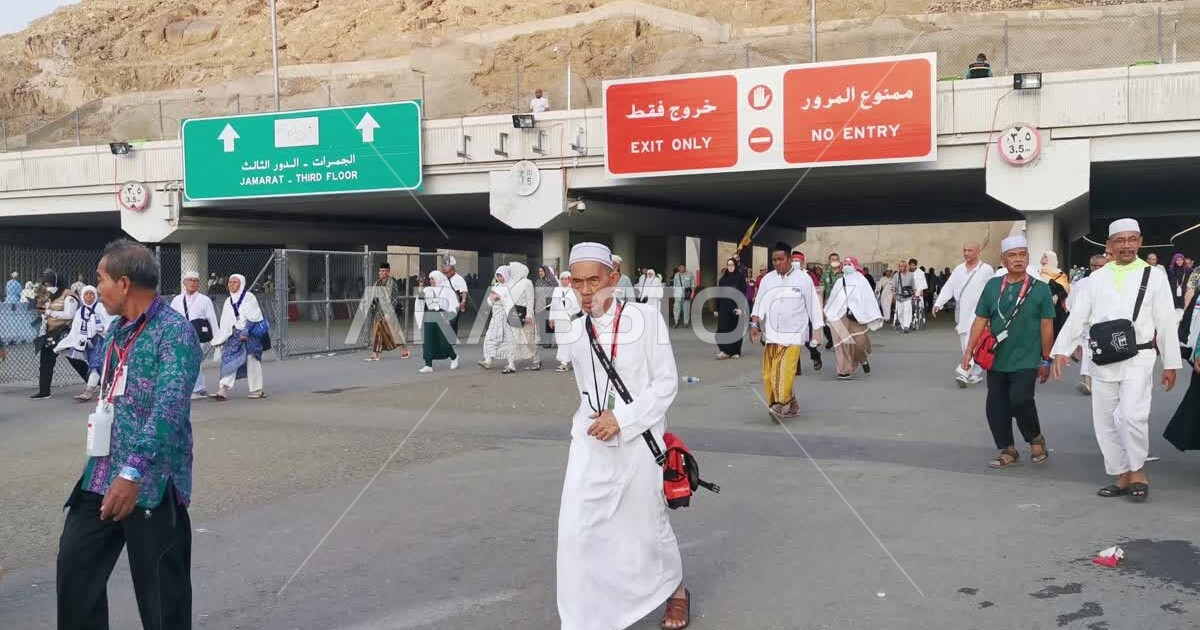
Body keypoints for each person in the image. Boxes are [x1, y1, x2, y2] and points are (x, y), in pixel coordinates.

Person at [56, 239, 201, 630]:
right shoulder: (116, 331)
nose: (95, 288)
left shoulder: (175, 334)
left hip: (150, 483)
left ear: (123, 283)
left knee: (161, 599)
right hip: (101, 474)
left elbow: (168, 408)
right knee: (76, 571)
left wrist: (133, 470)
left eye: (100, 280)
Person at [556, 242, 690, 630]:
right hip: (590, 440)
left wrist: (623, 418)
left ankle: (675, 592)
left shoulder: (646, 319)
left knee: (645, 526)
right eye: (576, 282)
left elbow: (666, 384)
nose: (585, 291)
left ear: (613, 279)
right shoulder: (575, 328)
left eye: (593, 281)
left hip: (639, 440)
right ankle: (585, 616)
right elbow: (586, 389)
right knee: (577, 528)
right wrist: (594, 420)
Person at [1051, 219, 1181, 501]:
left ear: (1140, 241)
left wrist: (1170, 362)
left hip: (1140, 356)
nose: (1126, 245)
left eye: (1131, 239)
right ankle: (1121, 474)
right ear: (1109, 246)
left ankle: (1137, 471)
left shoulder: (1154, 276)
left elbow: (1166, 321)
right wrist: (1062, 349)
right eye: (1120, 241)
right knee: (1105, 418)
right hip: (1103, 358)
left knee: (1134, 416)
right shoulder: (1096, 278)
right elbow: (1079, 316)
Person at [961, 235, 1055, 469]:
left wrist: (1046, 359)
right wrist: (968, 351)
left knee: (1021, 399)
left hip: (1027, 356)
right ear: (1003, 260)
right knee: (996, 404)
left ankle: (1035, 439)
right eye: (1012, 255)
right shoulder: (993, 286)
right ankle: (1008, 449)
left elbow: (1047, 326)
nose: (1018, 259)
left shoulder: (1041, 289)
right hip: (996, 356)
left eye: (1022, 254)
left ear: (1028, 258)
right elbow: (981, 318)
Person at [751, 242, 825, 420]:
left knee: (784, 370)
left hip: (794, 333)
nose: (777, 263)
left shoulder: (803, 279)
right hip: (772, 334)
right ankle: (792, 404)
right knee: (770, 373)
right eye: (774, 260)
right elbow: (759, 303)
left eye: (781, 259)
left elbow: (813, 305)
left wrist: (817, 330)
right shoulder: (768, 279)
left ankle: (779, 404)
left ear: (790, 259)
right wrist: (755, 325)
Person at [934, 242, 995, 387]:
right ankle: (974, 374)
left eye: (970, 250)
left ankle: (964, 371)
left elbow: (992, 291)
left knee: (972, 341)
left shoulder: (986, 270)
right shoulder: (959, 269)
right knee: (965, 343)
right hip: (962, 312)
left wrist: (991, 312)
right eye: (964, 250)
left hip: (979, 313)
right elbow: (949, 287)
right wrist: (938, 303)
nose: (966, 253)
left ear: (977, 252)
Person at [212, 274, 269, 401]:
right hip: (234, 336)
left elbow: (255, 316)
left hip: (250, 336)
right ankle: (223, 389)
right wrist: (221, 338)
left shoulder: (249, 297)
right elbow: (225, 322)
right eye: (230, 282)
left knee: (252, 360)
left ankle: (256, 390)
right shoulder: (228, 301)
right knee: (228, 360)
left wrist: (246, 331)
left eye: (235, 282)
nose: (231, 284)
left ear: (241, 284)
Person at [824, 257, 883, 379]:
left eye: (848, 263)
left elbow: (869, 299)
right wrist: (827, 312)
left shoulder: (862, 281)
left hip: (857, 317)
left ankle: (862, 358)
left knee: (859, 343)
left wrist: (873, 315)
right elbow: (833, 298)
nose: (846, 265)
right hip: (840, 316)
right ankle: (844, 370)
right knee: (842, 343)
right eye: (844, 263)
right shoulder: (840, 281)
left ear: (854, 265)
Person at [55, 285, 112, 402]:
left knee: (95, 366)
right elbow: (75, 330)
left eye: (91, 294)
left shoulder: (101, 308)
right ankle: (107, 389)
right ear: (82, 296)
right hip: (88, 343)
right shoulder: (80, 312)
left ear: (95, 295)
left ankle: (89, 391)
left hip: (101, 341)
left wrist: (103, 329)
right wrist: (70, 343)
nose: (89, 297)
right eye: (86, 294)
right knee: (100, 366)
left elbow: (111, 321)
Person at [170, 271, 220, 399]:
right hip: (181, 336)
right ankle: (199, 388)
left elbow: (212, 320)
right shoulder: (177, 300)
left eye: (195, 281)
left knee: (193, 360)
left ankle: (197, 390)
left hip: (199, 336)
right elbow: (170, 319)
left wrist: (217, 340)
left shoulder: (205, 300)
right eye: (190, 280)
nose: (192, 283)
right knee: (185, 362)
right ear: (184, 283)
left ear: (199, 283)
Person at [31, 269, 79, 400]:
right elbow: (48, 312)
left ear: (56, 282)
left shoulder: (69, 296)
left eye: (48, 284)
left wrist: (49, 312)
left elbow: (70, 314)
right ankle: (44, 391)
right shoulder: (52, 296)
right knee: (46, 360)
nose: (47, 287)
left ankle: (95, 383)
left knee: (76, 360)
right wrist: (43, 311)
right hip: (51, 332)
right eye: (45, 285)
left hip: (65, 332)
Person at [1067, 254, 1109, 395]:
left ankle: (1102, 382)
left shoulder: (1113, 282)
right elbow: (1071, 304)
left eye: (1101, 266)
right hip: (1087, 325)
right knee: (1087, 352)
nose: (1097, 269)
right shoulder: (1082, 283)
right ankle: (1087, 382)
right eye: (1095, 266)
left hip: (1107, 325)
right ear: (1090, 267)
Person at [365, 262, 410, 362]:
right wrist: (372, 308)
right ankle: (375, 354)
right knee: (377, 333)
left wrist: (389, 313)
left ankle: (405, 350)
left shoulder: (392, 284)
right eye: (380, 271)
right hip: (378, 312)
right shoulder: (377, 283)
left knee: (394, 333)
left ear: (388, 272)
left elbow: (394, 299)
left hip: (388, 312)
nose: (381, 273)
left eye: (384, 271)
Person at [418, 270, 460, 373]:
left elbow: (453, 306)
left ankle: (454, 357)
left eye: (433, 278)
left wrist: (450, 318)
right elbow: (420, 296)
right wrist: (420, 284)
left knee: (443, 341)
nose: (431, 281)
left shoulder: (447, 291)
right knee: (427, 340)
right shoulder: (428, 289)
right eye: (430, 279)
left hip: (442, 315)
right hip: (429, 316)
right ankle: (428, 364)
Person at [504, 261, 540, 373]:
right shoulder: (509, 283)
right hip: (512, 313)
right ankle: (511, 364)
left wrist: (530, 314)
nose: (509, 272)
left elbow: (530, 299)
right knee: (511, 339)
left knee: (528, 340)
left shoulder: (527, 282)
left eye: (510, 269)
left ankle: (536, 359)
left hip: (524, 313)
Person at [479, 266, 514, 370]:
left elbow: (512, 301)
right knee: (489, 338)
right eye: (498, 276)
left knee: (508, 340)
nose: (499, 278)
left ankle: (511, 363)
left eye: (501, 275)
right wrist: (492, 299)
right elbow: (489, 302)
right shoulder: (496, 286)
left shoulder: (510, 286)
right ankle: (488, 360)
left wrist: (500, 298)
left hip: (505, 317)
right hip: (495, 317)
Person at [716, 257, 747, 359]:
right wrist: (717, 308)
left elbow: (743, 292)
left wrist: (741, 308)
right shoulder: (723, 279)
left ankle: (735, 351)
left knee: (735, 329)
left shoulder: (740, 277)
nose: (730, 267)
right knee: (722, 329)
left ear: (735, 266)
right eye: (728, 265)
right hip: (724, 307)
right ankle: (724, 350)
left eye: (732, 265)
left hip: (735, 306)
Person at [550, 270, 579, 372]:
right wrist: (551, 318)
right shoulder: (557, 290)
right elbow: (553, 304)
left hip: (571, 319)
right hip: (559, 318)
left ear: (569, 279)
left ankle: (566, 362)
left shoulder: (574, 290)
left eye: (565, 278)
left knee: (570, 340)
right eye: (561, 279)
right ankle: (564, 361)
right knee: (560, 340)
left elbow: (578, 305)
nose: (563, 281)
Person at [1039, 250, 1070, 337]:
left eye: (1045, 256)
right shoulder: (1038, 273)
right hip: (1040, 309)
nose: (1042, 258)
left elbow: (1065, 290)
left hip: (1055, 311)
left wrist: (1057, 295)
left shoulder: (1059, 274)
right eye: (1043, 256)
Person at [441, 256, 469, 335]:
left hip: (454, 304)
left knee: (452, 322)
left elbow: (464, 291)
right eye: (445, 272)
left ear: (453, 270)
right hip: (443, 304)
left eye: (447, 272)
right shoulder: (443, 278)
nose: (446, 274)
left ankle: (451, 340)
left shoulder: (459, 279)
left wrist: (463, 301)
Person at [893, 260, 921, 333]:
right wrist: (894, 295)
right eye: (899, 266)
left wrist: (915, 295)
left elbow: (913, 286)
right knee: (900, 313)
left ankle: (906, 326)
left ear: (906, 267)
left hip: (908, 297)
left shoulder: (911, 275)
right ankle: (903, 325)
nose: (900, 268)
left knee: (907, 311)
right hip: (899, 297)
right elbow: (893, 286)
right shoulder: (896, 275)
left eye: (901, 266)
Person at [535, 264, 559, 347]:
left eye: (542, 271)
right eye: (539, 271)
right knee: (541, 324)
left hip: (549, 305)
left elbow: (556, 293)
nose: (540, 273)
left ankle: (549, 341)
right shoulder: (538, 281)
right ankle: (544, 341)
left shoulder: (552, 281)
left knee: (548, 323)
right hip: (540, 305)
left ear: (546, 271)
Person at [670, 264, 694, 329]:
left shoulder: (690, 274)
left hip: (687, 293)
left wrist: (692, 293)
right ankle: (676, 322)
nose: (681, 268)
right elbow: (674, 285)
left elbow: (692, 284)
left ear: (684, 267)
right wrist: (674, 293)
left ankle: (686, 323)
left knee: (686, 308)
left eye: (682, 267)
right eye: (679, 267)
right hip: (678, 293)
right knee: (676, 308)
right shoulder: (676, 275)